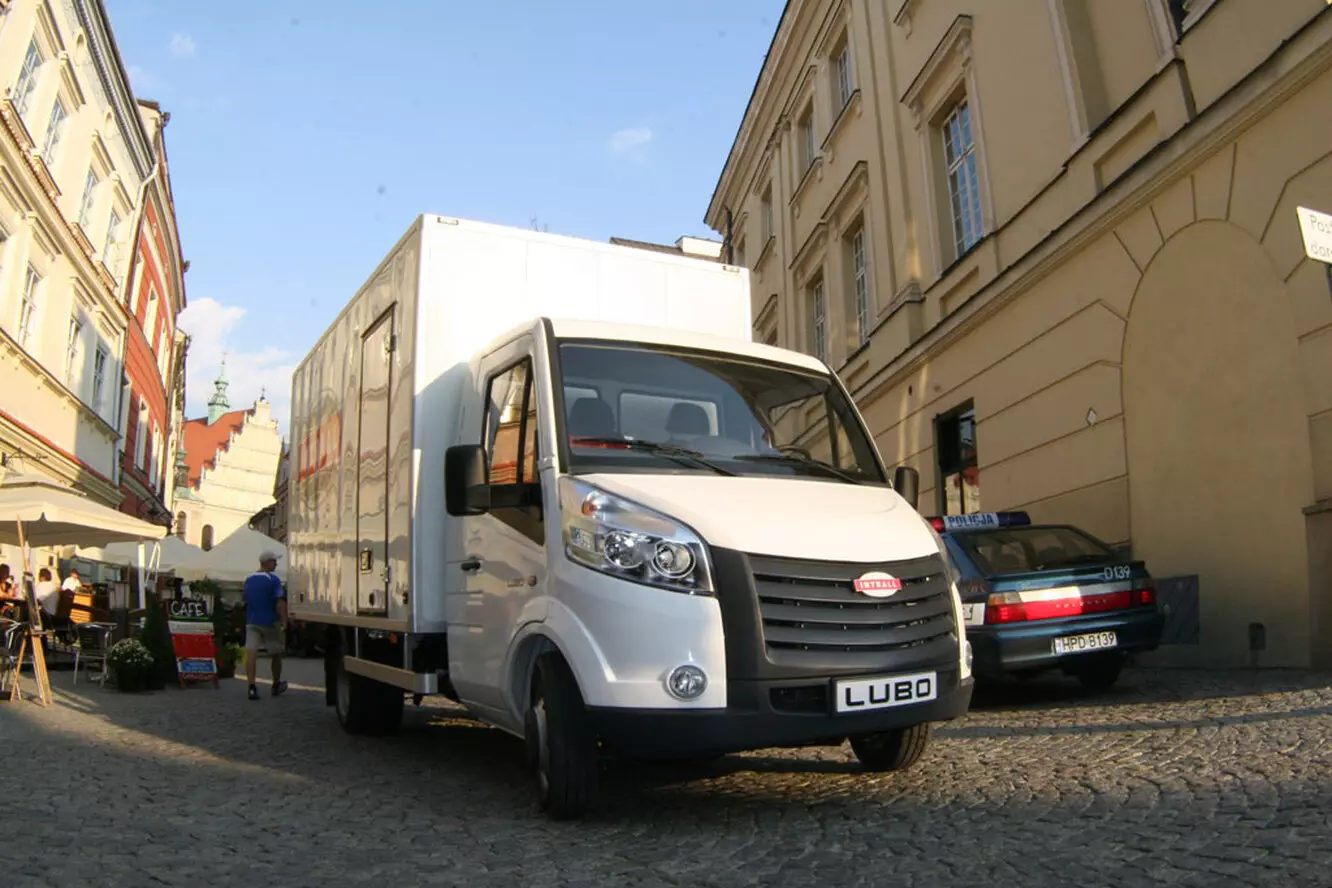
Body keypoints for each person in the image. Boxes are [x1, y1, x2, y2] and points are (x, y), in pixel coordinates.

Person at [243, 550, 288, 701]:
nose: (276, 563)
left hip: (251, 621)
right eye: (274, 561)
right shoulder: (273, 580)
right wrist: (284, 620)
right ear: (267, 562)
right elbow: (279, 602)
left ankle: (251, 686)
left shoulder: (249, 580)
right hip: (270, 622)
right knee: (276, 653)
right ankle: (276, 684)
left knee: (251, 653)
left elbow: (246, 599)